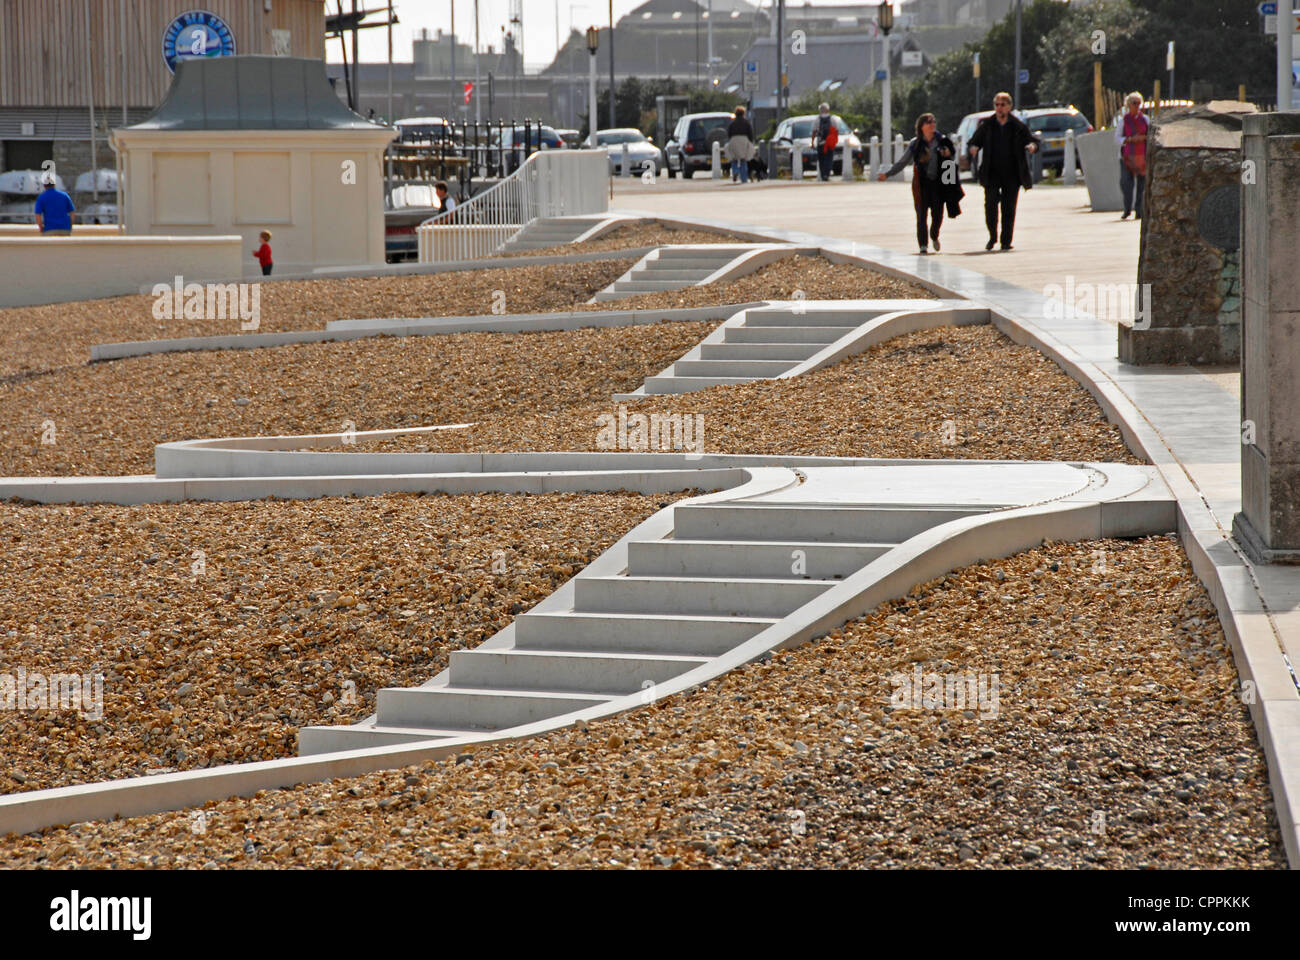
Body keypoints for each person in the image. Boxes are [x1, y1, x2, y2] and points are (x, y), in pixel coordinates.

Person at [879, 113, 963, 255]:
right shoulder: (915, 143)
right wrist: (888, 174)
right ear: (921, 126)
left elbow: (952, 159)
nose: (932, 124)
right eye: (928, 122)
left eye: (933, 121)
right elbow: (903, 161)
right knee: (921, 214)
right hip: (921, 185)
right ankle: (923, 245)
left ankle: (934, 235)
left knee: (937, 214)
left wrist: (948, 154)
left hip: (938, 184)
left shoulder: (942, 140)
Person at [966, 92, 1039, 251]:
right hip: (992, 172)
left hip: (1012, 173)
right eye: (997, 105)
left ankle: (1006, 241)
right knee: (990, 205)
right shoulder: (987, 125)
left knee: (1009, 207)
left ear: (1009, 107)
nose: (999, 108)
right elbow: (974, 141)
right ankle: (992, 236)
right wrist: (973, 147)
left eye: (1003, 105)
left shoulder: (1017, 125)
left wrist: (1032, 146)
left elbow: (1032, 140)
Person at [1115, 92, 1150, 221]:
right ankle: (1127, 209)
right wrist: (1130, 139)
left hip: (1142, 156)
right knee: (1126, 184)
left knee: (1142, 185)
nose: (1137, 106)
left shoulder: (1145, 120)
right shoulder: (1123, 121)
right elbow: (1117, 138)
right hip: (1127, 157)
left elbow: (1151, 135)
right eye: (1134, 103)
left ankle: (1139, 210)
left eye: (1139, 103)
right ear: (1128, 104)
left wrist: (1143, 138)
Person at [727, 107, 756, 184]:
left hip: (734, 139)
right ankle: (744, 178)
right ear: (743, 113)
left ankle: (735, 171)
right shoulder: (746, 123)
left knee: (734, 159)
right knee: (743, 160)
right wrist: (750, 142)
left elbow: (729, 134)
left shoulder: (732, 123)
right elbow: (750, 134)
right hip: (744, 140)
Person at [812, 103, 837, 182]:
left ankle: (823, 175)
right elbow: (836, 131)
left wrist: (812, 141)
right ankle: (827, 174)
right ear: (828, 110)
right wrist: (834, 140)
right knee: (829, 159)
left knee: (821, 159)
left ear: (820, 111)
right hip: (829, 143)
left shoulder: (817, 119)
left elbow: (814, 131)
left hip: (820, 142)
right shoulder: (832, 119)